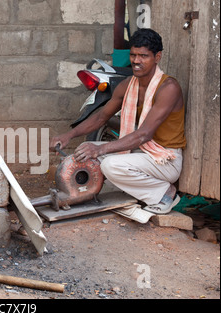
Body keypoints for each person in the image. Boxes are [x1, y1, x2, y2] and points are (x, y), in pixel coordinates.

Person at [50, 28, 186, 214]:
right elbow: (101, 117)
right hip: (143, 153)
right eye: (133, 55)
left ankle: (164, 193)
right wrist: (69, 135)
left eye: (143, 56)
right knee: (86, 150)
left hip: (165, 159)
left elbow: (144, 134)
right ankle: (94, 192)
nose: (136, 61)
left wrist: (101, 149)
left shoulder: (168, 88)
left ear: (157, 57)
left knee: (109, 165)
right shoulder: (128, 85)